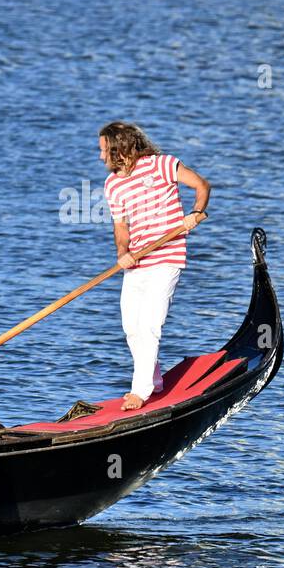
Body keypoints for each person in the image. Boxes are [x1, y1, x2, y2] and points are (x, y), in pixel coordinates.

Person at [99, 122, 210, 411]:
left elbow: (201, 185)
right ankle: (155, 377)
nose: (101, 158)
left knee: (149, 324)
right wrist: (123, 252)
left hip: (167, 256)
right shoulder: (113, 184)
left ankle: (141, 391)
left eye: (103, 151)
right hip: (137, 262)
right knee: (131, 328)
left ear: (119, 149)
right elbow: (120, 227)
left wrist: (195, 213)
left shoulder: (162, 165)